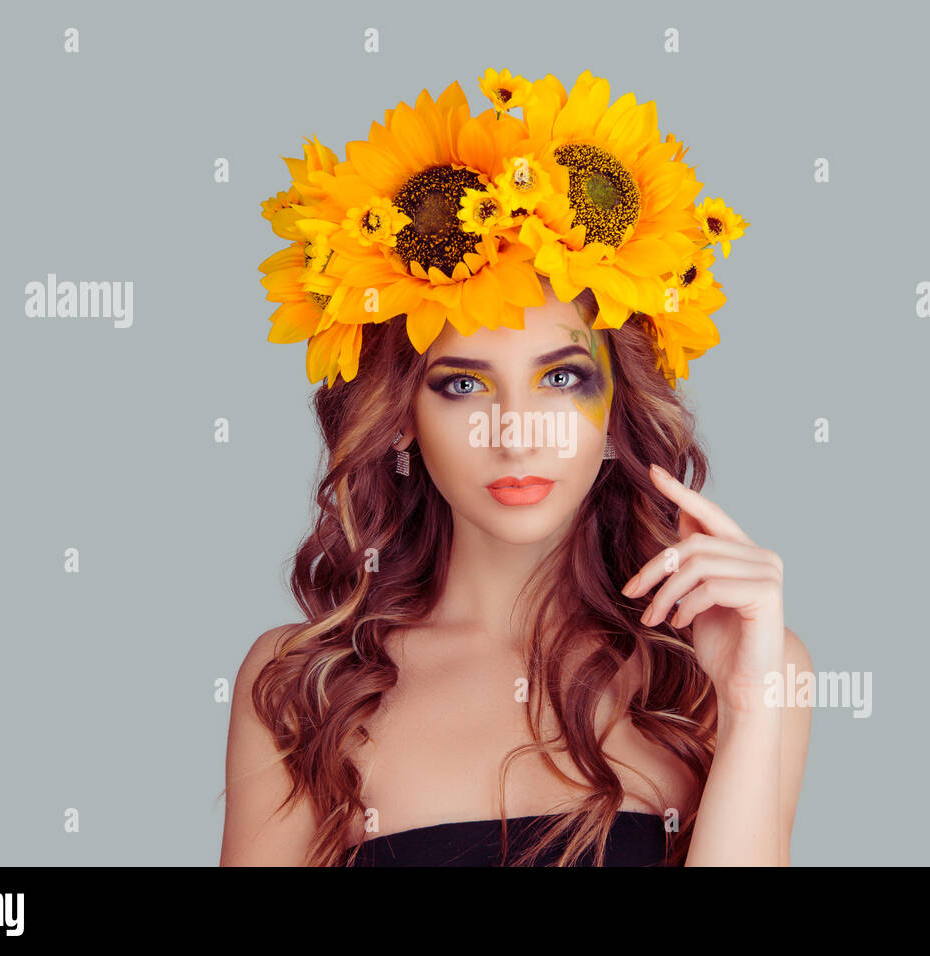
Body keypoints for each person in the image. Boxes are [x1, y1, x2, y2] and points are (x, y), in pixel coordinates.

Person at [220, 68, 812, 866]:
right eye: (463, 384)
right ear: (401, 420)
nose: (516, 432)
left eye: (561, 378)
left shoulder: (726, 668)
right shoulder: (305, 683)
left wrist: (748, 704)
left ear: (615, 406)